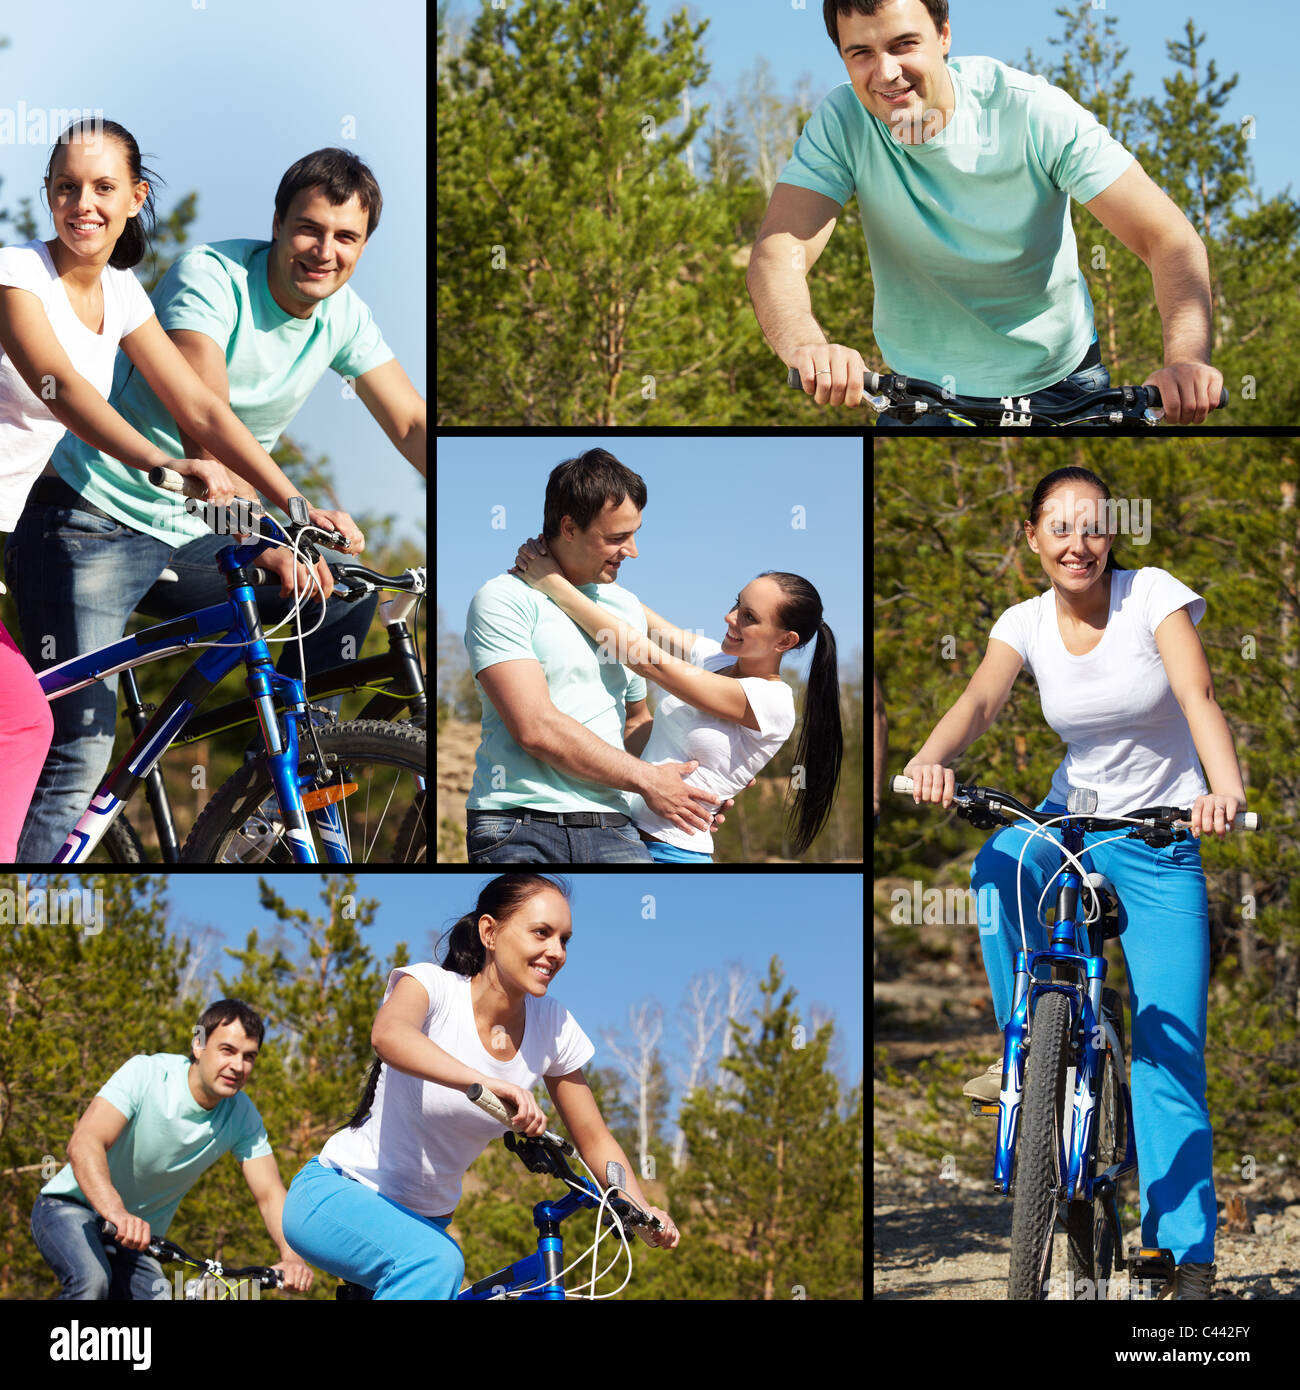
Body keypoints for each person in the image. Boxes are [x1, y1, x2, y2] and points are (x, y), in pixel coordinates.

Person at [4, 126, 427, 861]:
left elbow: (415, 421)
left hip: (195, 529)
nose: (324, 251)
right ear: (276, 227)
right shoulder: (208, 276)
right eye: (308, 229)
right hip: (90, 522)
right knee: (78, 753)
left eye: (345, 237)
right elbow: (203, 417)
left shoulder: (340, 317)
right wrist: (274, 523)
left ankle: (291, 777)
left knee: (337, 593)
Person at [903, 465, 1248, 1299]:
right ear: (1033, 539)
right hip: (1071, 823)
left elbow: (1198, 695)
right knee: (996, 868)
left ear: (1112, 534)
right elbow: (982, 700)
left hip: (1158, 834)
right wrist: (930, 758)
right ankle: (1026, 1048)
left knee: (1171, 1052)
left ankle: (1182, 1253)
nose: (1077, 543)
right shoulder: (1022, 620)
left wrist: (1223, 786)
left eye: (1092, 526)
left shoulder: (1151, 595)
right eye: (1058, 527)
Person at [747, 0, 1224, 425]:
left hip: (1064, 380)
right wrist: (807, 347)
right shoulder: (842, 123)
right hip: (921, 392)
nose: (886, 72)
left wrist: (1186, 360)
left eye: (904, 44)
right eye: (861, 53)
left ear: (944, 35)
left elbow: (1168, 239)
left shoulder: (1033, 112)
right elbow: (779, 253)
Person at [281, 873, 680, 1299]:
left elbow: (595, 1139)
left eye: (565, 939)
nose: (556, 952)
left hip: (425, 1225)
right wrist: (482, 1082)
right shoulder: (431, 986)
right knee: (437, 1262)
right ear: (490, 932)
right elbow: (389, 1036)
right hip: (336, 1194)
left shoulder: (553, 1025)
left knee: (441, 1261)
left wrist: (640, 1210)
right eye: (541, 933)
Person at [464, 450, 739, 864]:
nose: (632, 551)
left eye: (635, 533)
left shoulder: (624, 606)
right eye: (615, 538)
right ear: (569, 527)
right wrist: (649, 780)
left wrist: (695, 779)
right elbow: (535, 728)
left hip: (616, 826)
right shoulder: (502, 599)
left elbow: (634, 721)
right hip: (518, 823)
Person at [512, 535, 843, 861]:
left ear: (784, 641)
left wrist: (553, 583)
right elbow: (638, 618)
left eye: (749, 618)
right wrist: (573, 564)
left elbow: (651, 662)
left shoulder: (772, 702)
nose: (730, 618)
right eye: (737, 604)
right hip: (622, 834)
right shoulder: (716, 659)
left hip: (674, 851)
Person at [30, 999, 313, 1300]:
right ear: (199, 1045)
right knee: (91, 1282)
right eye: (227, 1051)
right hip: (70, 1207)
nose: (238, 1066)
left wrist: (292, 1256)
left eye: (249, 1057)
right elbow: (85, 1141)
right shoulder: (148, 1073)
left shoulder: (242, 1115)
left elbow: (270, 1194)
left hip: (136, 1239)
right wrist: (115, 1210)